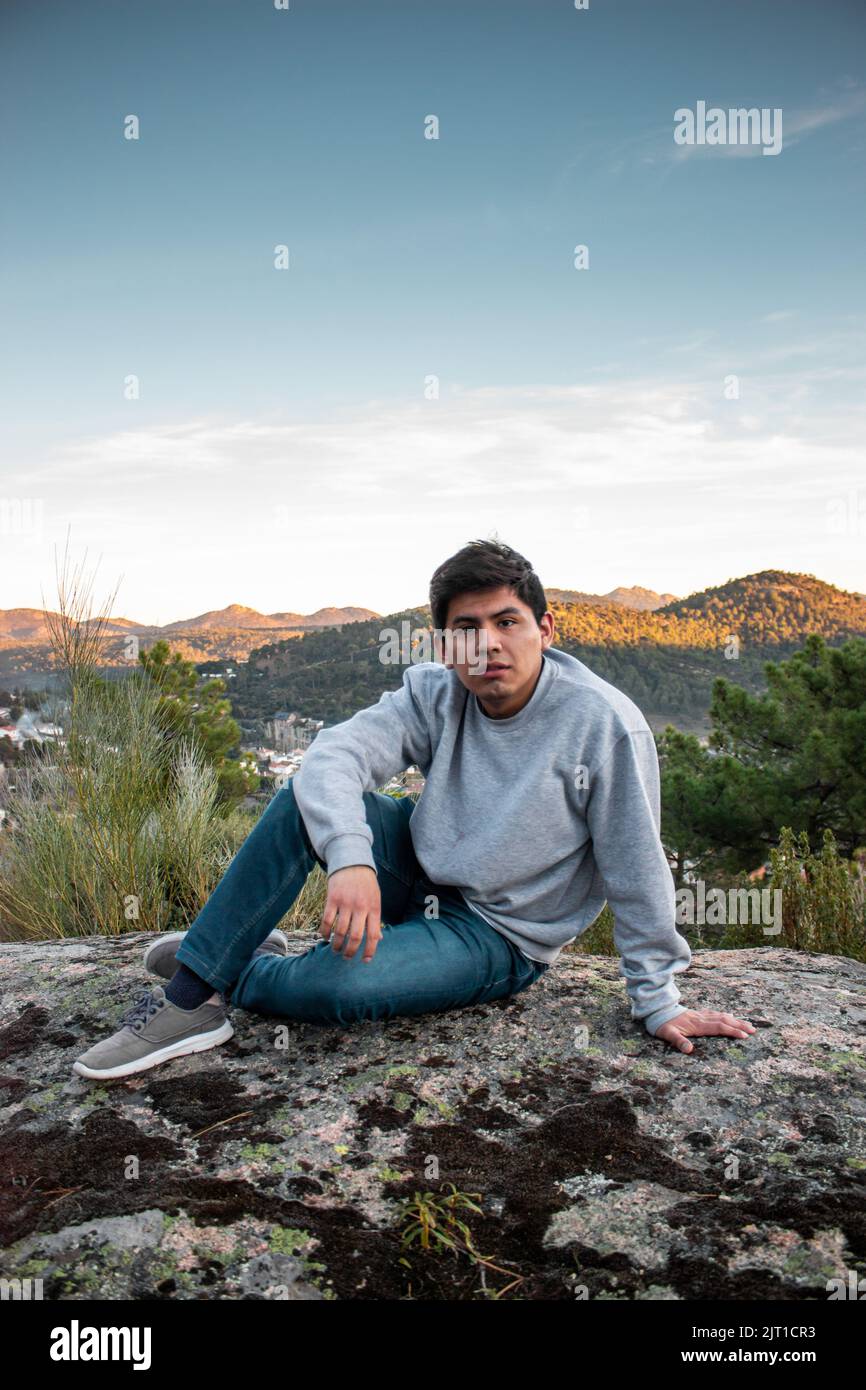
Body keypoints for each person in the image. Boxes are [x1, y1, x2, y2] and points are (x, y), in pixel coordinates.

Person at [73, 538, 755, 1079]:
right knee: (302, 802)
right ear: (443, 645)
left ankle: (231, 958)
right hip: (418, 869)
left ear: (546, 629)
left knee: (334, 989)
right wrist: (350, 858)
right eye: (467, 629)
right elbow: (333, 758)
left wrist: (658, 1000)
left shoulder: (603, 725)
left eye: (507, 621)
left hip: (497, 935)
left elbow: (637, 870)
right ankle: (195, 996)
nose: (488, 644)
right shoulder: (435, 692)